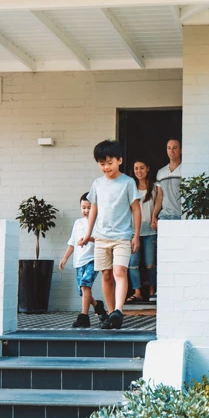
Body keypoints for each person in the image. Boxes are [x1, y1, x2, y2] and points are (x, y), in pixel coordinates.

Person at [79, 140, 141, 330]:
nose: (106, 167)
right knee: (106, 275)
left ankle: (119, 312)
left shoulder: (128, 182)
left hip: (122, 236)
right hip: (101, 238)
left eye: (109, 162)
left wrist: (136, 236)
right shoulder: (97, 184)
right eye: (102, 163)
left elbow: (136, 210)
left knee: (119, 272)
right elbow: (94, 210)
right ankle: (111, 312)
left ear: (119, 160)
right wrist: (88, 234)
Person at [58, 193, 108, 328]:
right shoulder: (78, 223)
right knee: (83, 291)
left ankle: (84, 317)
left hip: (93, 259)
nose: (86, 211)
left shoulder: (99, 222)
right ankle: (98, 306)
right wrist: (65, 258)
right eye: (83, 208)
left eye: (89, 208)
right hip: (79, 261)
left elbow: (102, 239)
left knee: (85, 285)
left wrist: (88, 239)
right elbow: (72, 242)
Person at [151, 139, 182, 303]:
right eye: (169, 148)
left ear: (181, 150)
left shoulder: (186, 169)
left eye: (175, 148)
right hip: (165, 217)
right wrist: (154, 216)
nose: (172, 151)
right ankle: (160, 290)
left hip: (180, 217)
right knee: (162, 255)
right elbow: (159, 196)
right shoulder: (161, 172)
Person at [127, 159, 161, 303]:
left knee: (150, 263)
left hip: (150, 231)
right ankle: (137, 291)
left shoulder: (155, 187)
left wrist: (154, 216)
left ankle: (152, 291)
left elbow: (158, 202)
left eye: (142, 168)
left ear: (147, 169)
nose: (139, 171)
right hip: (134, 231)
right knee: (133, 263)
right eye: (136, 169)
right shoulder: (130, 187)